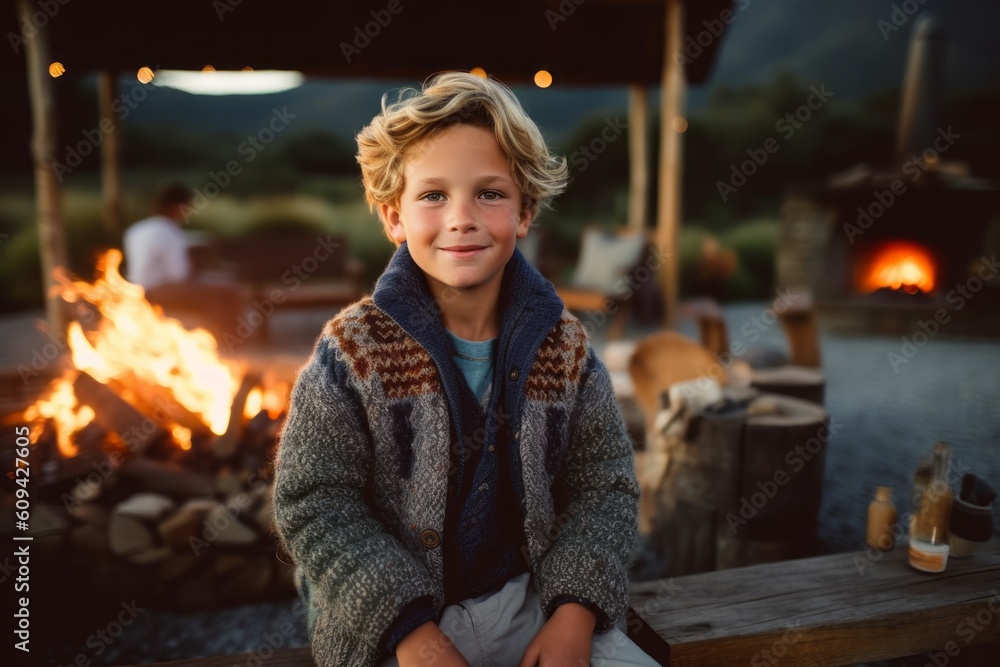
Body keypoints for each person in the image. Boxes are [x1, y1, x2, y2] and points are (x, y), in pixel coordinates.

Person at [272, 71, 657, 667]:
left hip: (529, 604)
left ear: (525, 211)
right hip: (387, 627)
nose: (462, 217)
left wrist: (575, 614)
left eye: (490, 193)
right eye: (432, 195)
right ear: (392, 216)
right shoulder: (353, 351)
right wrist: (411, 634)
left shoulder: (565, 348)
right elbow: (314, 500)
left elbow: (603, 486)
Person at [122, 182, 246, 342]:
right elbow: (178, 275)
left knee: (216, 291)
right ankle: (229, 342)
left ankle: (219, 341)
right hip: (159, 290)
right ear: (178, 207)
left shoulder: (135, 230)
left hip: (134, 289)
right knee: (229, 291)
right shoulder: (170, 231)